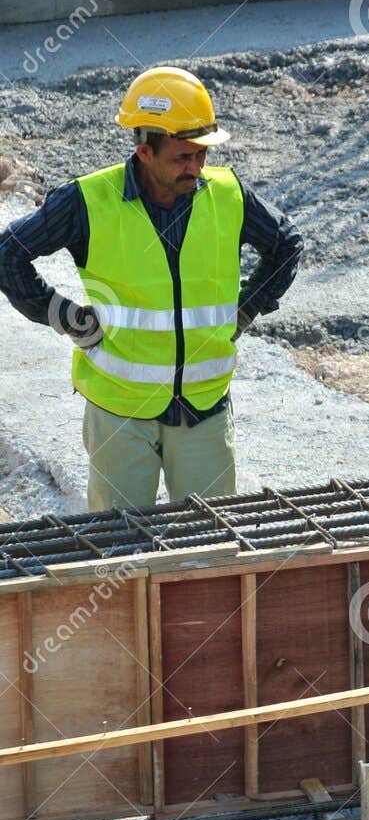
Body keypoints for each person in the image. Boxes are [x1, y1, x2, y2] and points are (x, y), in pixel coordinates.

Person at [0, 66, 302, 511]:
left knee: (208, 547)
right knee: (116, 547)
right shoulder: (87, 201)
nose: (196, 167)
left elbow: (286, 244)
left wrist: (246, 310)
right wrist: (67, 318)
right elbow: (9, 253)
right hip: (120, 414)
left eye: (201, 153)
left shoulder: (227, 194)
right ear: (144, 151)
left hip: (204, 410)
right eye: (182, 157)